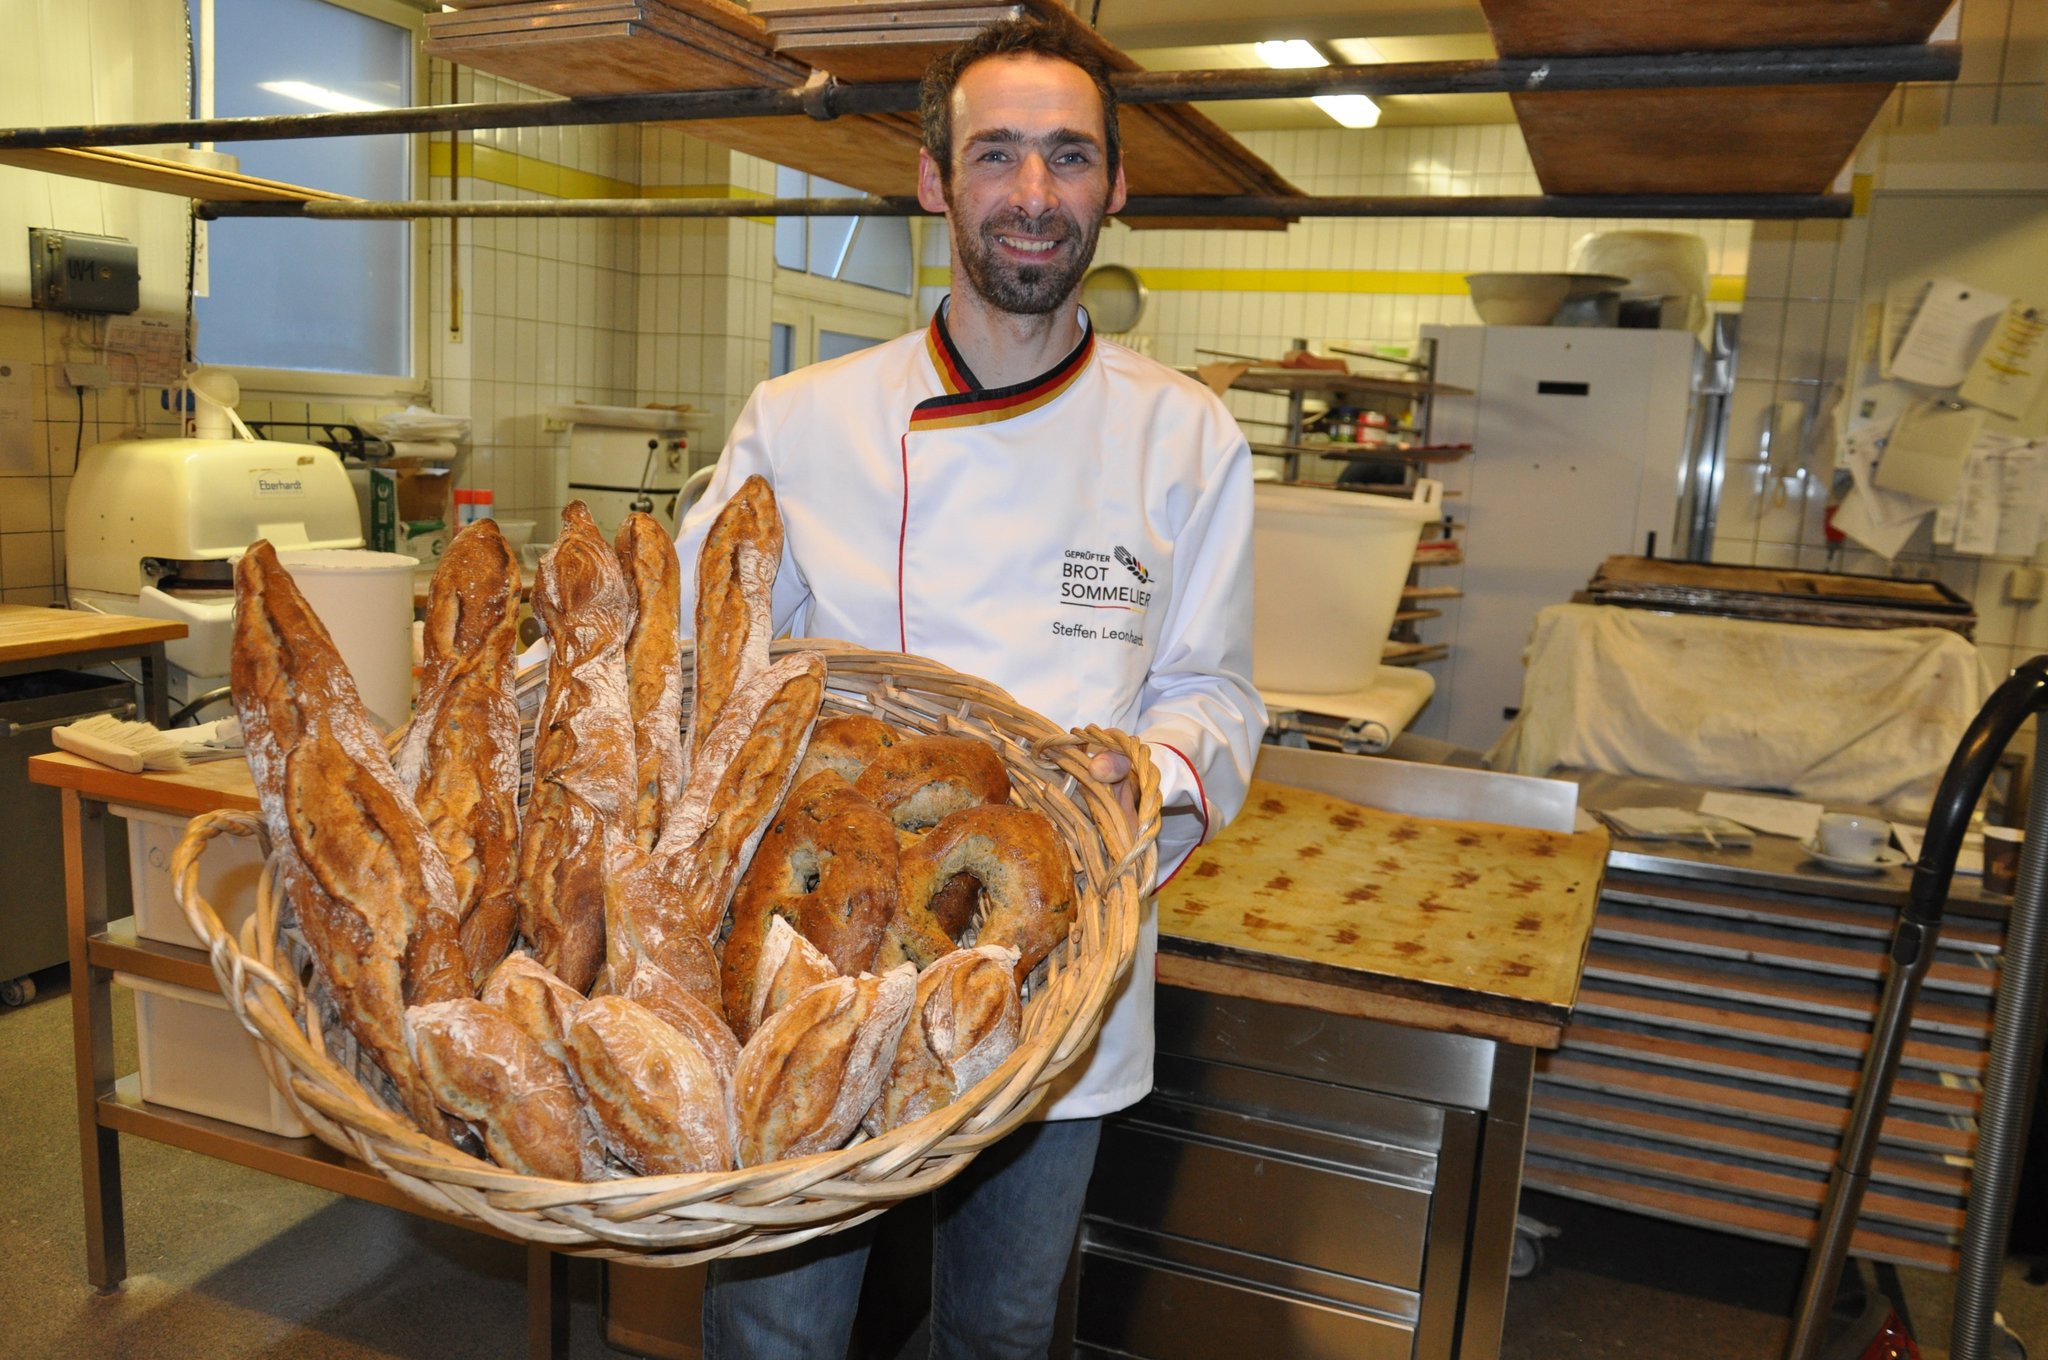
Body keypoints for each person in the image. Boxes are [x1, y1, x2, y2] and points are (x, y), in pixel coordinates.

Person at [672, 17, 1263, 1358]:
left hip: (1059, 993)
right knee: (776, 1336)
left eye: (1071, 158)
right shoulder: (801, 419)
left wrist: (1150, 768)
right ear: (934, 180)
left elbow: (1217, 694)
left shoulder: (1185, 438)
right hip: (813, 976)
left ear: (1117, 188)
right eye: (997, 155)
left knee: (998, 1334)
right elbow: (702, 681)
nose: (1036, 196)